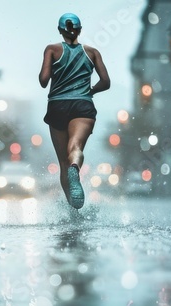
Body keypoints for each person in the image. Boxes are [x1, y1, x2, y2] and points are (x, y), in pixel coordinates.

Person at [39, 13, 111, 209]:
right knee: (75, 148)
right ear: (80, 30)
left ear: (60, 30)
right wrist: (90, 91)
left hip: (57, 106)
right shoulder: (92, 52)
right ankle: (75, 167)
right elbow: (105, 82)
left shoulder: (52, 49)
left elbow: (43, 81)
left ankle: (73, 207)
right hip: (82, 105)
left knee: (63, 162)